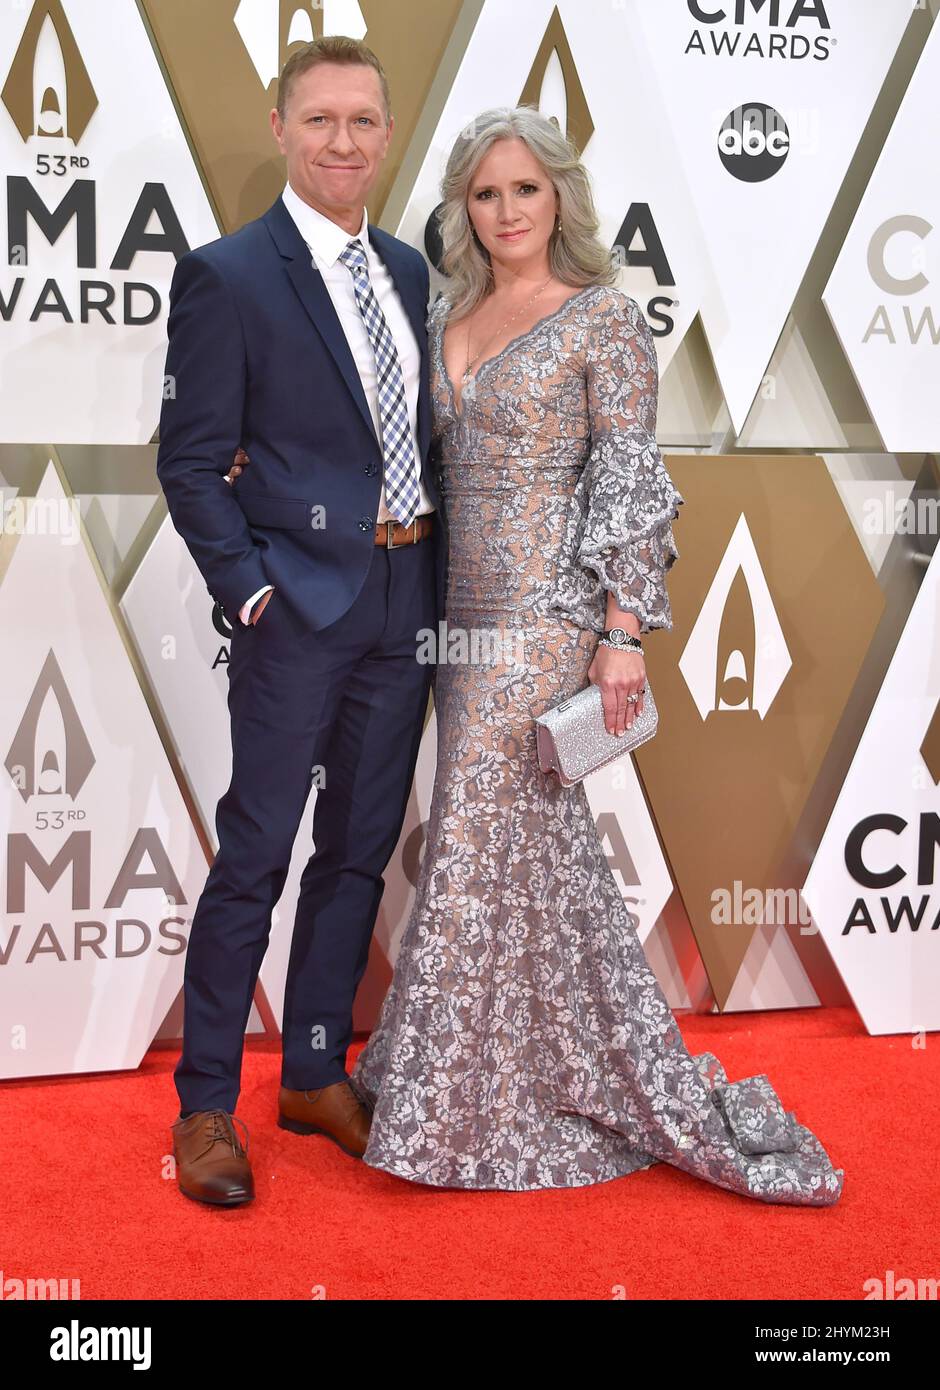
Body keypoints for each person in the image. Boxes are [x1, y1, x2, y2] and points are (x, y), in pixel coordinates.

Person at [345, 107, 844, 1203]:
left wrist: (621, 633)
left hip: (548, 614)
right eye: (485, 193)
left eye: (525, 190)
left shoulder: (604, 320)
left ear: (560, 197)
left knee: (473, 832)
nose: (507, 210)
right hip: (454, 611)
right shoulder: (445, 311)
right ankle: (544, 1060)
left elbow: (625, 478)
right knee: (521, 844)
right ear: (460, 208)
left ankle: (454, 1102)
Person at [156, 36, 445, 1206]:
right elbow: (186, 464)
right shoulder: (228, 274)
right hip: (295, 612)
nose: (342, 141)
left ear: (386, 134)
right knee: (258, 856)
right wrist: (253, 591)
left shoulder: (412, 271)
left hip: (404, 598)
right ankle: (207, 1106)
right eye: (319, 120)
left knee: (359, 855)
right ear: (281, 129)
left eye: (362, 122)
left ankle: (317, 1067)